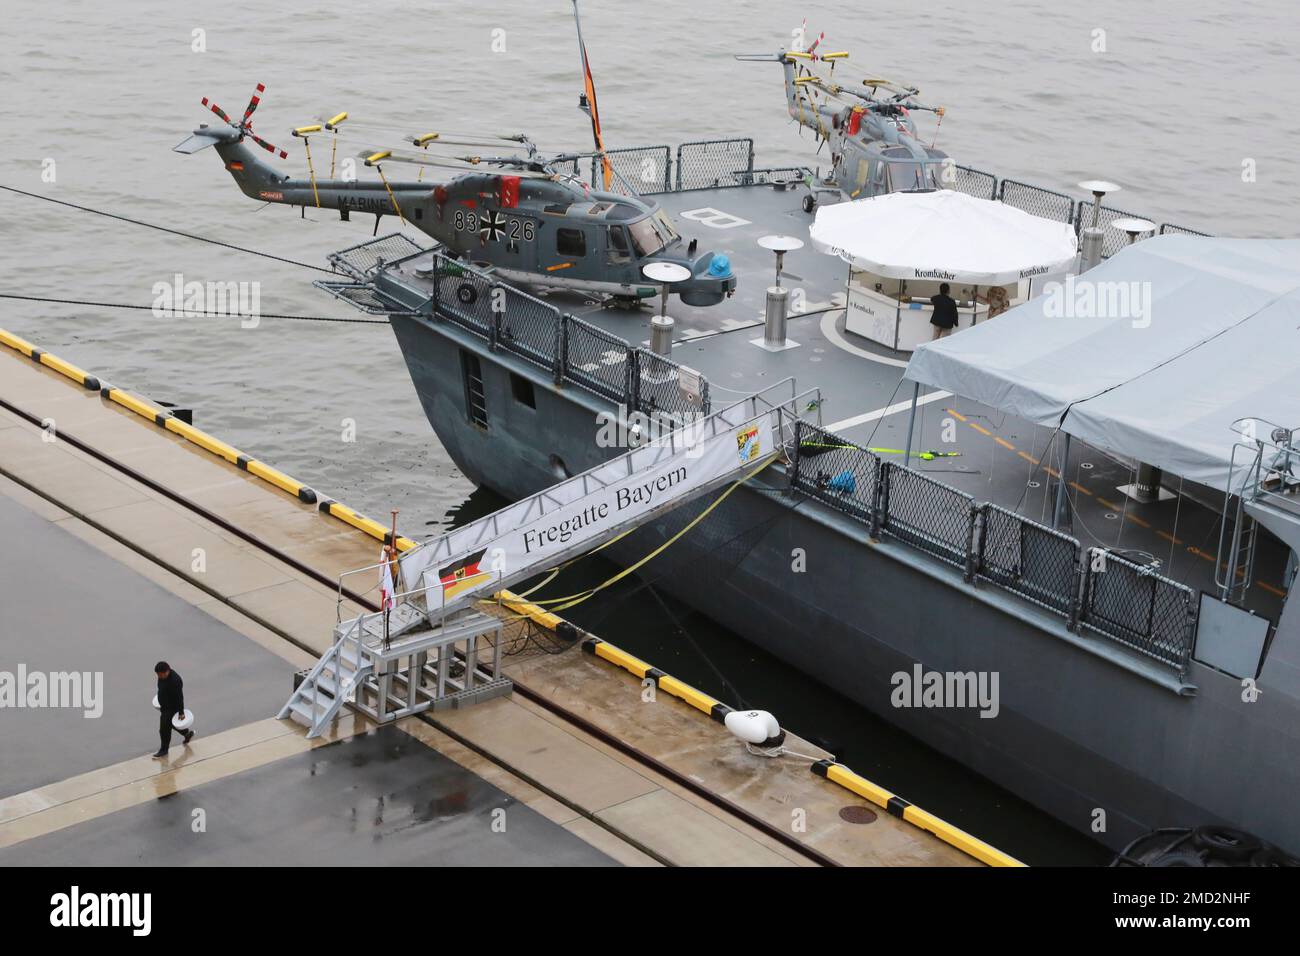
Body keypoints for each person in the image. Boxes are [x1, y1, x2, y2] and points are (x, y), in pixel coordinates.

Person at [153, 661, 194, 758]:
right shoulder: (161, 676)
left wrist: (181, 712)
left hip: (171, 707)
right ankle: (187, 733)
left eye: (160, 674)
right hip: (164, 706)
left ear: (167, 671)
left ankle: (164, 750)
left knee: (164, 729)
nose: (159, 676)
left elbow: (179, 697)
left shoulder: (175, 681)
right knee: (171, 724)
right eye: (158, 674)